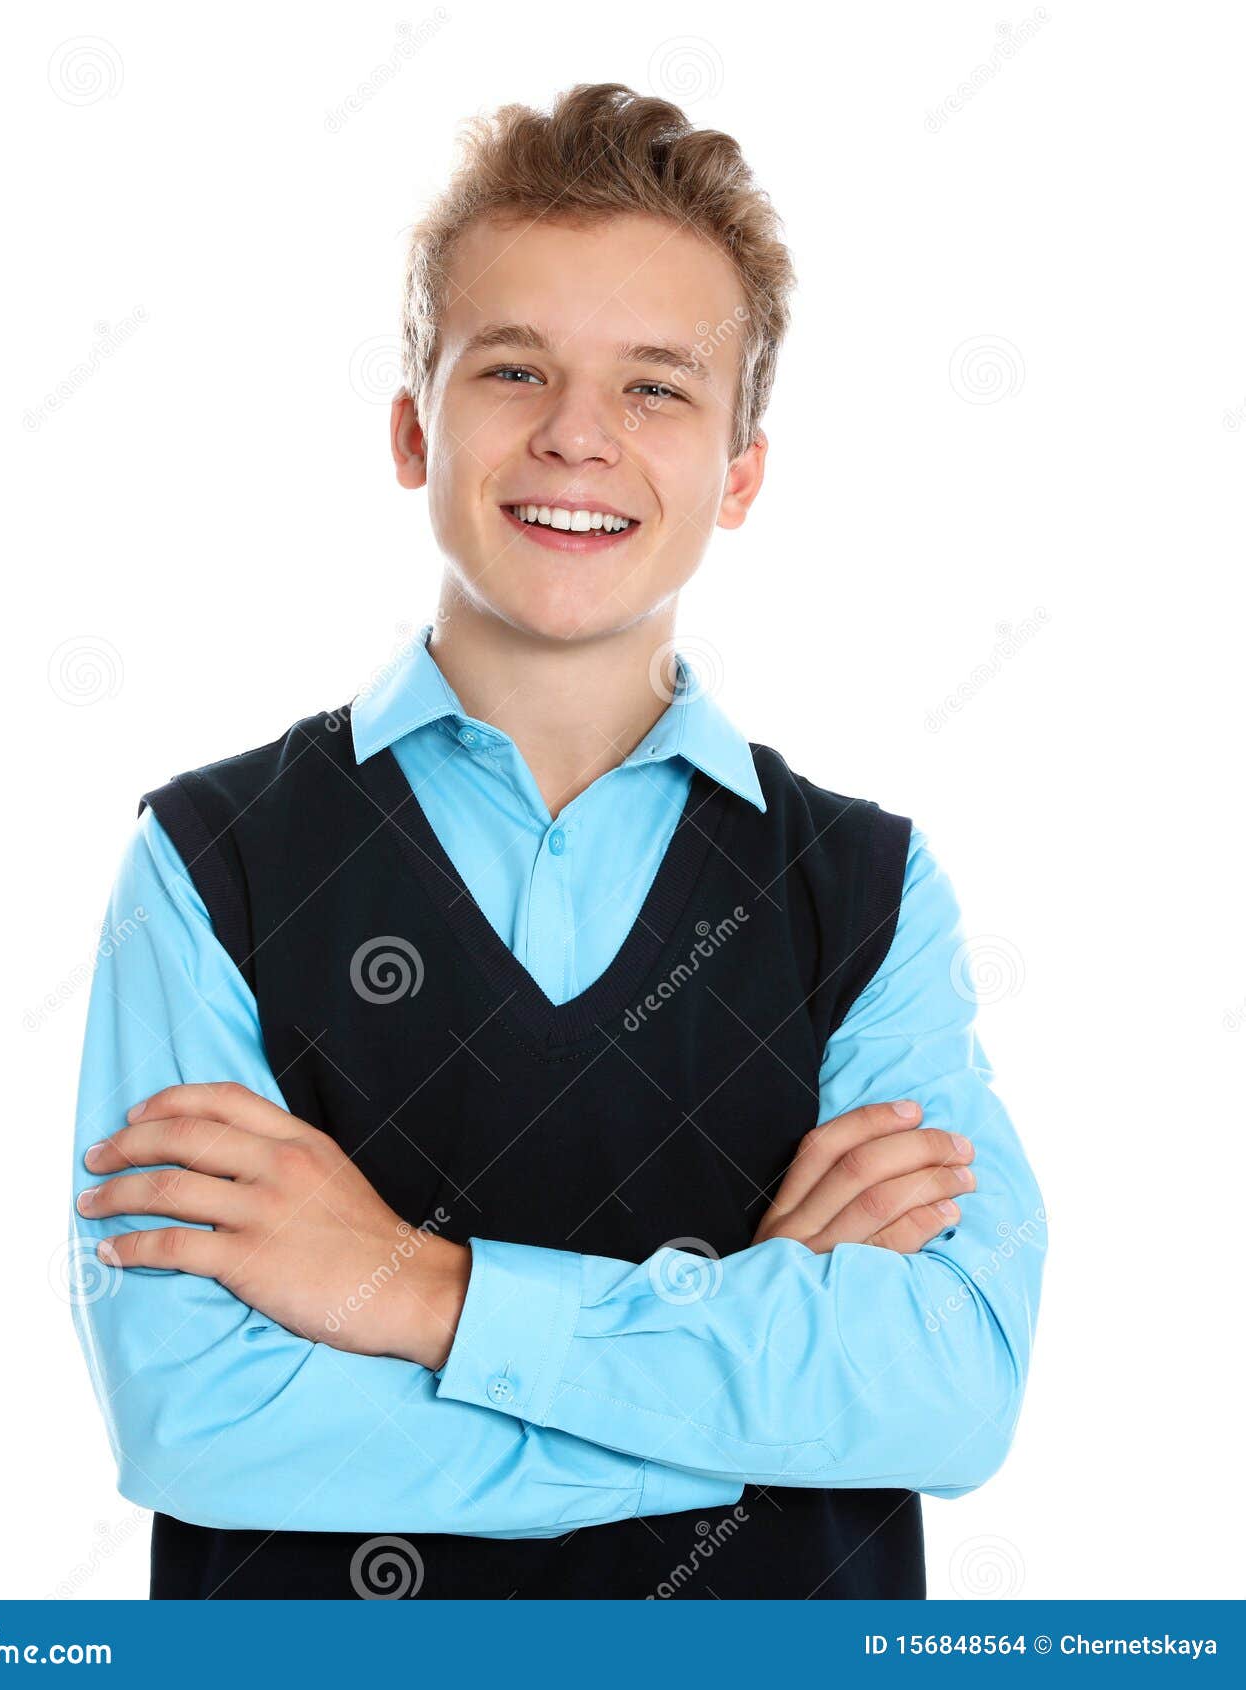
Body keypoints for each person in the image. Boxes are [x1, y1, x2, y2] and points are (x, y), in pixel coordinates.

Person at [69, 82, 1046, 1600]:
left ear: (739, 469)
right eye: (513, 368)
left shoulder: (862, 892)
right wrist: (757, 1389)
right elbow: (199, 1415)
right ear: (415, 424)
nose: (576, 436)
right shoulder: (211, 865)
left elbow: (948, 1386)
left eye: (656, 386)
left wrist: (424, 1296)